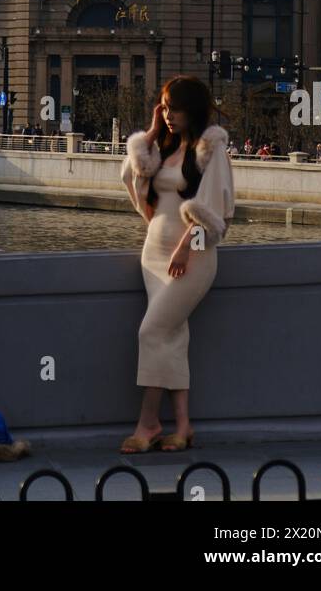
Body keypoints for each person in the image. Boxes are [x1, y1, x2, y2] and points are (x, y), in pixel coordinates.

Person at [120, 75, 234, 454]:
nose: (168, 115)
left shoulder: (210, 147)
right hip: (154, 255)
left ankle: (148, 423)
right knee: (171, 336)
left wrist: (187, 244)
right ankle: (183, 426)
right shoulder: (166, 146)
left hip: (192, 256)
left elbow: (218, 212)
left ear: (194, 110)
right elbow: (129, 177)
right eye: (164, 107)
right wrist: (150, 133)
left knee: (151, 331)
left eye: (175, 108)